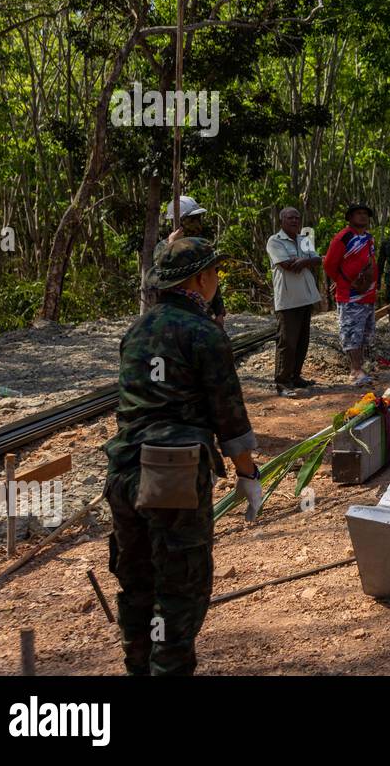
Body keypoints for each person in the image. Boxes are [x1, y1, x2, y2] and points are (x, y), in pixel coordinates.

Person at [103, 237, 261, 675]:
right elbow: (228, 415)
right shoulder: (204, 333)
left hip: (123, 471)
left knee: (136, 583)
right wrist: (248, 475)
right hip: (172, 475)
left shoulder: (136, 331)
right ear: (202, 278)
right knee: (179, 590)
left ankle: (139, 666)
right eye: (214, 274)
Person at [265, 207, 322, 397]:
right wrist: (303, 261)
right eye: (290, 217)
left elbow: (316, 260)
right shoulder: (275, 241)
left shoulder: (304, 239)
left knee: (302, 341)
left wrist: (303, 261)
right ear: (282, 220)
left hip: (306, 297)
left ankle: (296, 376)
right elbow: (287, 265)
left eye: (297, 217)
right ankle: (282, 382)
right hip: (288, 300)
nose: (295, 221)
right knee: (287, 342)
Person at [323, 204, 379, 386]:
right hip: (351, 295)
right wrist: (342, 281)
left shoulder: (369, 238)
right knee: (352, 332)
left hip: (368, 294)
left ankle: (360, 367)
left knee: (364, 333)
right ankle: (355, 370)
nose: (363, 217)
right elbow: (329, 264)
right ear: (350, 217)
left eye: (365, 214)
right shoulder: (343, 237)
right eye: (358, 214)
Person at [164, 195, 226, 329]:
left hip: (203, 315)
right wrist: (171, 246)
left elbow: (212, 280)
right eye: (192, 220)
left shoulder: (201, 247)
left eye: (198, 219)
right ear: (180, 222)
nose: (197, 224)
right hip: (176, 317)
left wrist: (219, 312)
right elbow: (161, 281)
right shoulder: (164, 251)